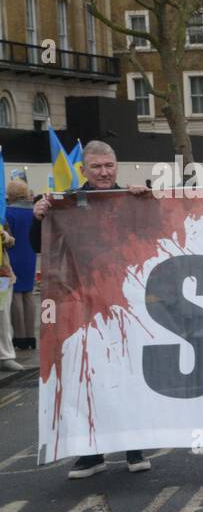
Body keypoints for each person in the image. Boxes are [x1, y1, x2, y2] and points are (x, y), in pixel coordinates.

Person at [30, 141, 154, 478]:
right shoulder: (67, 203)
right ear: (83, 170)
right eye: (96, 167)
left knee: (126, 376)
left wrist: (148, 200)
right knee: (85, 378)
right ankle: (91, 453)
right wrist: (38, 218)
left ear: (117, 166)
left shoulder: (131, 198)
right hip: (82, 307)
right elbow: (35, 244)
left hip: (124, 305)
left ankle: (134, 448)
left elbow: (153, 234)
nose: (103, 172)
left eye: (108, 166)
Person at [6, 179, 39, 353]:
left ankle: (20, 338)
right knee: (29, 294)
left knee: (16, 295)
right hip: (30, 254)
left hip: (13, 255)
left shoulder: (8, 212)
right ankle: (31, 336)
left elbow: (7, 239)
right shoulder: (33, 211)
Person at [0, 219, 18, 372]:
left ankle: (6, 356)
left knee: (3, 317)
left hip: (2, 275)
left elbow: (11, 241)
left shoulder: (2, 218)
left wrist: (6, 236)